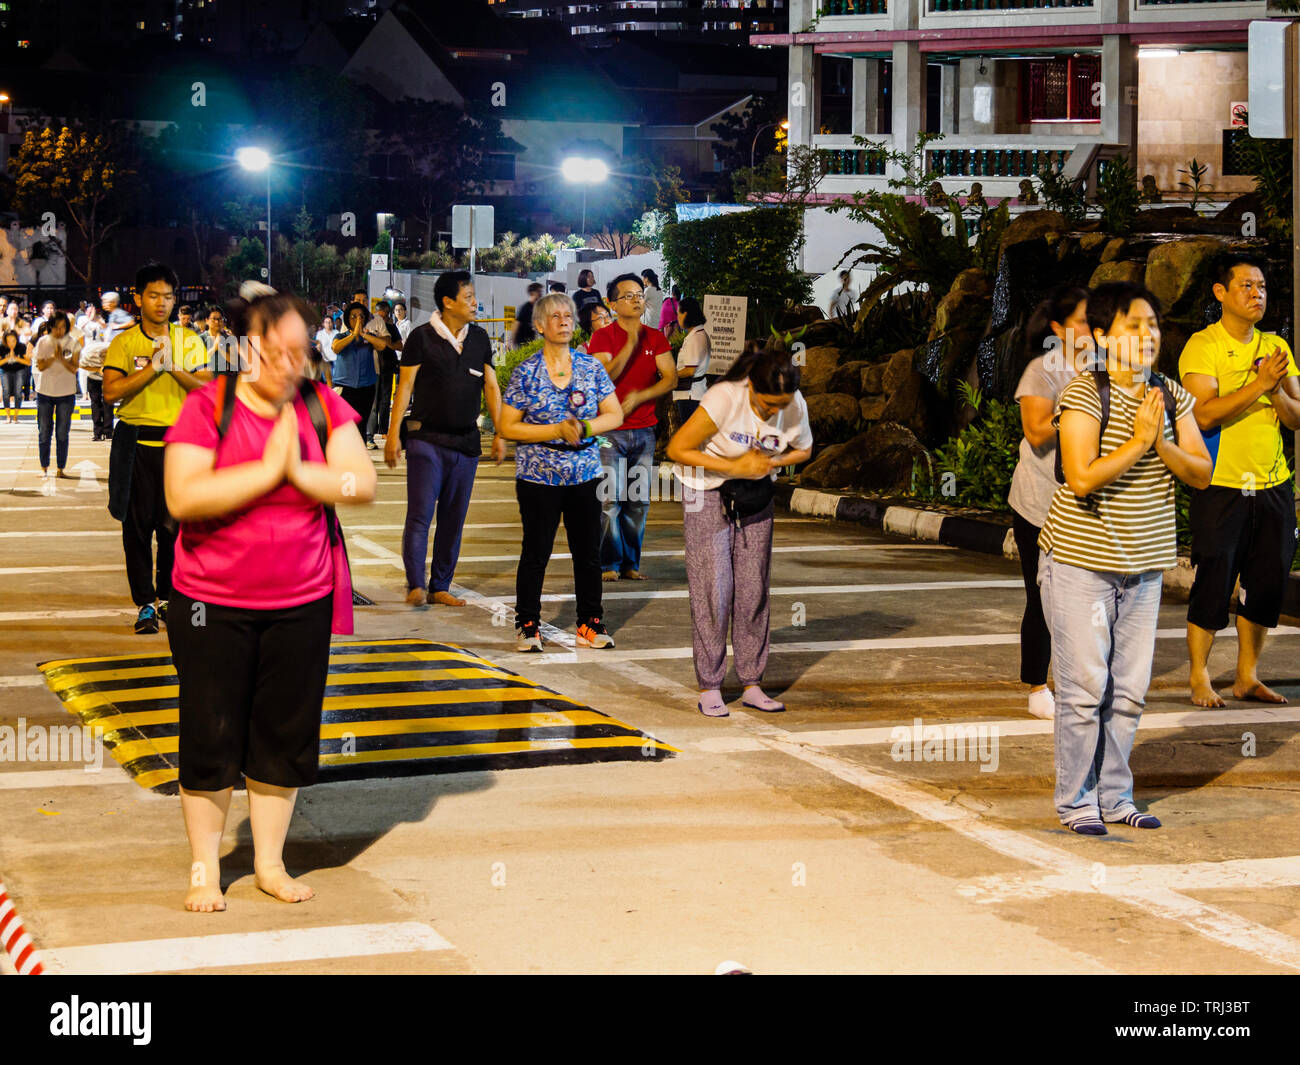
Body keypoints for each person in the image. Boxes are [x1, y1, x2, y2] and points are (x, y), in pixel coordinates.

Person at [164, 284, 376, 913]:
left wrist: (299, 473)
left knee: (283, 733)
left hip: (301, 600)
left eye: (302, 353)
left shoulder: (324, 406)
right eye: (281, 352)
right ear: (249, 345)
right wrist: (266, 472)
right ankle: (205, 867)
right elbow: (184, 497)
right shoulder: (210, 405)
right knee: (212, 731)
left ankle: (268, 863)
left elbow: (357, 481)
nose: (293, 365)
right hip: (210, 602)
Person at [1038, 282, 1211, 835]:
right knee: (1086, 687)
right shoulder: (1086, 394)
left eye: (1153, 324)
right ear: (1105, 337)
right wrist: (1138, 442)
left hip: (1144, 568)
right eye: (1134, 325)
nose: (1147, 335)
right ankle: (1077, 802)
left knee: (1130, 692)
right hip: (1078, 565)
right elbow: (1082, 475)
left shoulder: (1172, 395)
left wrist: (1158, 440)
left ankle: (1116, 796)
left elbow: (1202, 474)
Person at [1179, 252, 1300, 708]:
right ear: (1221, 293)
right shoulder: (1203, 345)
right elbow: (1203, 413)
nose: (1256, 294)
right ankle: (1199, 676)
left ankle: (1247, 676)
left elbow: (1296, 417)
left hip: (1273, 486)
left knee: (1267, 582)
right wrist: (1257, 387)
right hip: (1221, 484)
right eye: (1246, 286)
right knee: (1214, 579)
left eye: (1262, 287)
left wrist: (1274, 391)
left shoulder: (1276, 348)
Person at [667, 341, 814, 717]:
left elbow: (803, 449)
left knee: (752, 589)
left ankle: (751, 682)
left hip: (754, 494)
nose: (773, 412)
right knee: (714, 588)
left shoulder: (793, 402)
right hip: (705, 490)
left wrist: (771, 462)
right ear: (751, 385)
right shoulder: (724, 397)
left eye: (780, 407)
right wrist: (738, 468)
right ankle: (710, 686)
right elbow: (677, 448)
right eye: (767, 405)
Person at [497, 292, 625, 652]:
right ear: (539, 325)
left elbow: (614, 414)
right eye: (555, 316)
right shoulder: (527, 372)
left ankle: (590, 623)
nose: (565, 321)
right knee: (536, 552)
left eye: (568, 315)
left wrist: (584, 428)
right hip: (538, 476)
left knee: (588, 552)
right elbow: (508, 426)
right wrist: (554, 430)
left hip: (584, 473)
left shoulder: (591, 368)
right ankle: (527, 625)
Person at [103, 262, 213, 635]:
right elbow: (111, 392)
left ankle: (168, 598)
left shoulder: (190, 340)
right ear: (137, 298)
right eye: (153, 295)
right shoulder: (124, 342)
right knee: (135, 529)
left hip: (180, 446)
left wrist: (172, 368)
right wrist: (152, 368)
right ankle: (145, 604)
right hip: (135, 445)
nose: (161, 302)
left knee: (175, 527)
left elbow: (206, 389)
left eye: (168, 296)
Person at [386, 270, 507, 608]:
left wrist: (500, 432)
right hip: (426, 439)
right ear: (447, 301)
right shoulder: (421, 338)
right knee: (421, 514)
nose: (474, 302)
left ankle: (440, 585)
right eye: (468, 296)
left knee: (454, 519)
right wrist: (393, 434)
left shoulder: (480, 338)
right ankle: (415, 584)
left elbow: (492, 387)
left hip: (466, 445)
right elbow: (405, 388)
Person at [1007, 286, 1092, 720]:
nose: (1091, 327)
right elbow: (1037, 431)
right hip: (1039, 501)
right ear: (1059, 328)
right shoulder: (1043, 370)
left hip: (1087, 501)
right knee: (1041, 593)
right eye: (1081, 320)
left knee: (1088, 597)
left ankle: (1081, 679)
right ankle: (1038, 687)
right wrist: (1077, 412)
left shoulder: (1106, 368)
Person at [587, 273, 677, 581]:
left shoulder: (656, 337)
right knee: (609, 498)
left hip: (644, 431)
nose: (637, 299)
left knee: (637, 501)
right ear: (612, 304)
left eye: (639, 294)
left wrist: (642, 394)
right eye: (628, 295)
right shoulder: (602, 338)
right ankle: (608, 564)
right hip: (609, 432)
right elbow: (602, 378)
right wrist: (629, 346)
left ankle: (630, 563)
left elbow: (670, 378)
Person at [330, 302, 380, 446]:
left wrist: (364, 335)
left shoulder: (369, 337)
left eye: (361, 316)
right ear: (347, 320)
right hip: (345, 387)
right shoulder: (340, 336)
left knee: (361, 424)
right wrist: (353, 335)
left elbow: (381, 345)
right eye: (353, 317)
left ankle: (360, 459)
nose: (358, 320)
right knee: (345, 425)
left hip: (366, 387)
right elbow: (336, 348)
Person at [364, 299, 403, 446]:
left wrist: (388, 343)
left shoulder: (391, 328)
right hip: (372, 367)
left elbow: (400, 345)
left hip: (387, 366)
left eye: (383, 315)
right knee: (374, 401)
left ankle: (383, 430)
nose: (380, 317)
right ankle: (370, 434)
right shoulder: (370, 325)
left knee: (385, 400)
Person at [671, 297, 711, 427]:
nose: (677, 317)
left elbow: (689, 370)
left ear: (686, 314)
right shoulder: (698, 334)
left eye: (679, 313)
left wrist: (671, 375)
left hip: (690, 395)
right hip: (693, 393)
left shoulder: (695, 338)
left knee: (687, 432)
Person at [79, 309, 114, 441]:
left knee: (108, 403)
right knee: (95, 404)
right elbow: (82, 365)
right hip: (93, 377)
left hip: (107, 378)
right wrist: (98, 368)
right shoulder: (90, 349)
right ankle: (97, 432)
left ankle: (109, 431)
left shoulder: (111, 347)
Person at [1, 329, 28, 424]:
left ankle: (16, 416)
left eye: (13, 340)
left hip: (19, 370)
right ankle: (8, 416)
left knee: (18, 391)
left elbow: (28, 362)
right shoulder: (1, 347)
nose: (11, 343)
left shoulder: (21, 346)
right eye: (8, 341)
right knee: (6, 391)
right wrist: (8, 358)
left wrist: (16, 358)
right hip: (5, 370)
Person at [510, 282, 543, 348]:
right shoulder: (525, 308)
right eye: (539, 291)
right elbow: (516, 324)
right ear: (532, 293)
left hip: (531, 342)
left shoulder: (536, 308)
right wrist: (511, 342)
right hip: (522, 343)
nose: (541, 294)